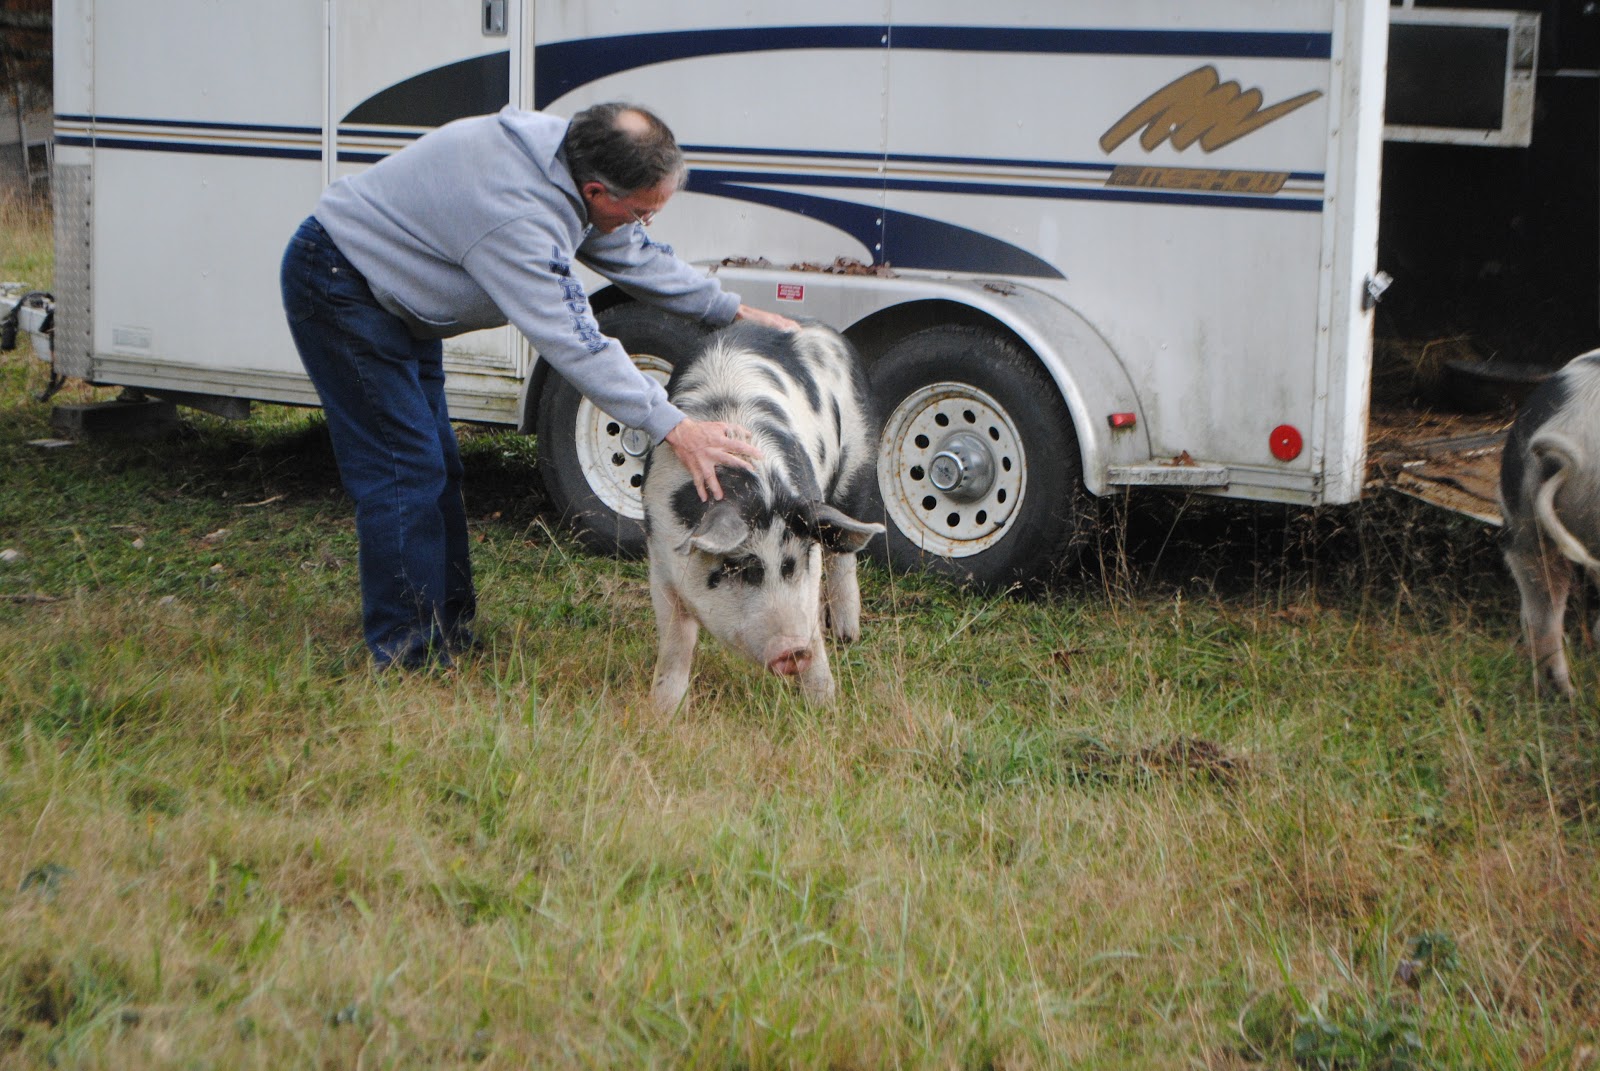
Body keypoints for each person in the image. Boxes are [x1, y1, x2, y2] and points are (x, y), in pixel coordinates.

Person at [280, 101, 795, 670]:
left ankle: (447, 627)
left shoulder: (573, 162)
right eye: (640, 212)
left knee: (436, 465)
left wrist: (726, 310)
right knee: (404, 469)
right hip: (342, 286)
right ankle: (408, 653)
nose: (641, 225)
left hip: (395, 298)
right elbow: (576, 341)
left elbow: (630, 252)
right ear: (596, 192)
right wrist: (676, 427)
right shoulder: (518, 214)